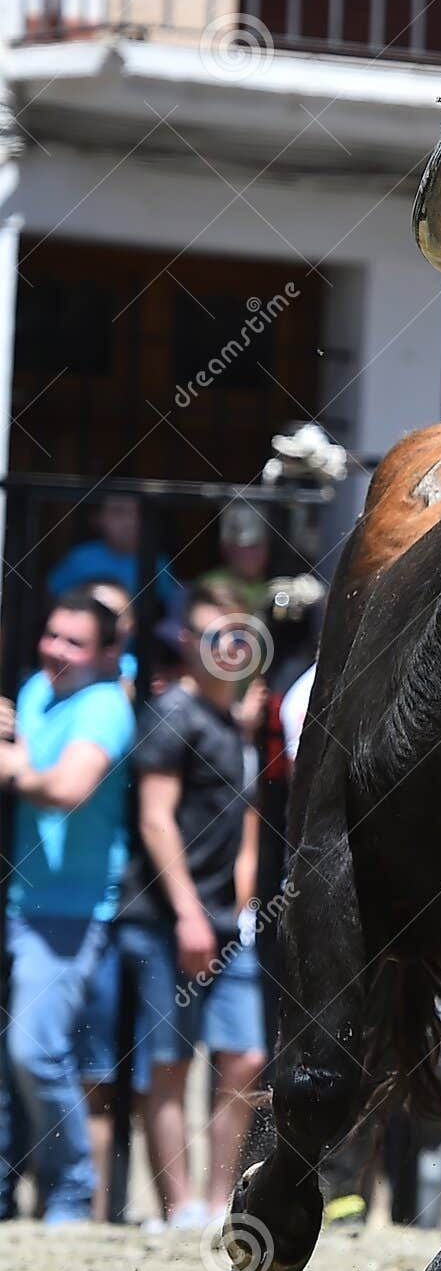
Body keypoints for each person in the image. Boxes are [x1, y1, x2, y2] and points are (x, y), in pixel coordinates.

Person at [116, 583, 268, 1229]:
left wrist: (240, 906)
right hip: (168, 919)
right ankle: (178, 1208)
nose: (226, 647)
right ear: (188, 642)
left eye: (236, 634)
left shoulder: (238, 725)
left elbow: (248, 825)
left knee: (246, 1058)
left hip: (229, 927)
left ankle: (217, 1203)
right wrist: (188, 913)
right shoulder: (172, 715)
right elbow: (154, 821)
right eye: (212, 634)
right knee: (171, 1063)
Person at [0, 592, 135, 1223]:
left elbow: (65, 789)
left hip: (71, 911)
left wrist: (10, 765)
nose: (56, 651)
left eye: (75, 643)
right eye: (52, 635)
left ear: (110, 654)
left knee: (35, 1051)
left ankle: (73, 1193)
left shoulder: (106, 705)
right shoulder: (34, 691)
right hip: (22, 901)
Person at [46, 494, 177, 606]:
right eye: (118, 512)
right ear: (97, 518)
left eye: (138, 513)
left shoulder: (157, 561)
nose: (130, 521)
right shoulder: (79, 557)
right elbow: (52, 597)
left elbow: (167, 609)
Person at [200, 502, 273, 616]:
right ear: (227, 549)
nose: (256, 554)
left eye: (260, 546)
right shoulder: (211, 583)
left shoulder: (268, 584)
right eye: (249, 548)